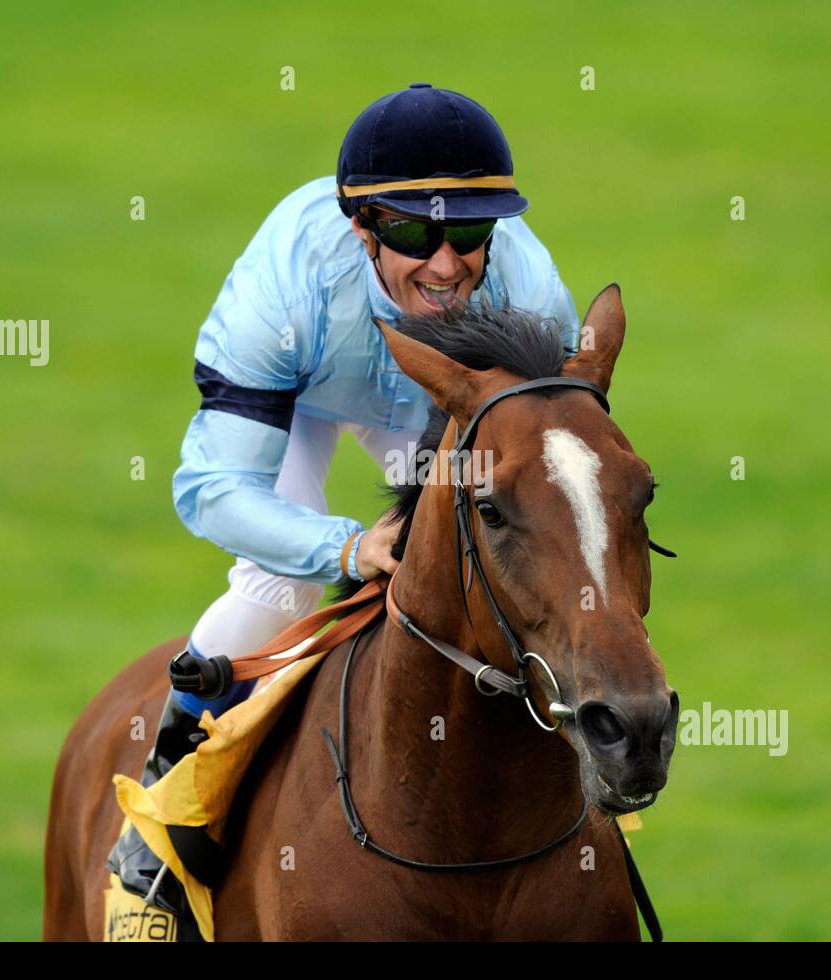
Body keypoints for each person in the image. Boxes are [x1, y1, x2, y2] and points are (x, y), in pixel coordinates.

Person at [108, 83, 580, 912]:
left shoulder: (531, 297)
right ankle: (169, 789)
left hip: (442, 409)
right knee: (277, 581)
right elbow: (213, 488)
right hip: (305, 395)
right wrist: (346, 547)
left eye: (469, 231)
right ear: (361, 226)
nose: (445, 263)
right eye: (409, 229)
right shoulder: (284, 291)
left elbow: (547, 482)